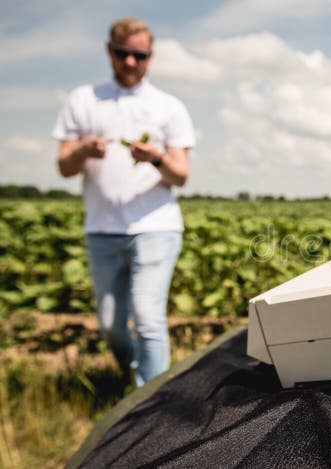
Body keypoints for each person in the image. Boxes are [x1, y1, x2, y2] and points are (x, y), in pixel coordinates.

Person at [52, 17, 195, 386]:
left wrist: (156, 158)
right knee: (111, 326)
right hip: (102, 230)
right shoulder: (84, 100)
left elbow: (180, 174)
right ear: (109, 51)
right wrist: (84, 147)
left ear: (150, 56)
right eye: (122, 53)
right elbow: (64, 167)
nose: (130, 62)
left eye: (139, 55)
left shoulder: (169, 106)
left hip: (156, 228)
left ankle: (150, 406)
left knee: (148, 319)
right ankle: (135, 382)